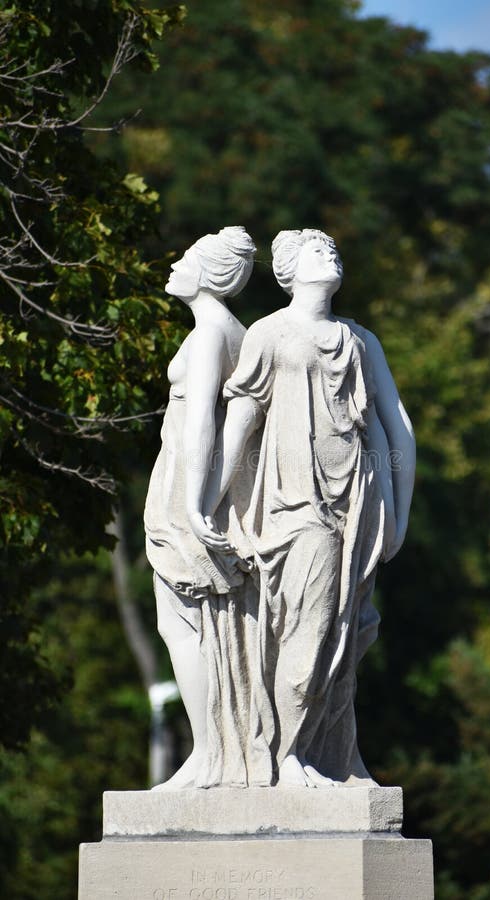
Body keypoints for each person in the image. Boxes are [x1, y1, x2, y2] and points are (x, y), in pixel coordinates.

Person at [205, 229, 416, 787]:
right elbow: (243, 420)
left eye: (336, 250)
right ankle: (285, 755)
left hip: (360, 502)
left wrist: (399, 507)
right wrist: (209, 499)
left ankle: (330, 755)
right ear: (290, 268)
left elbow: (398, 430)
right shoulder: (270, 333)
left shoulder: (361, 340)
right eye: (319, 250)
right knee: (310, 625)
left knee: (347, 635)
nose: (333, 255)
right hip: (297, 503)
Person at [144, 226, 274, 789]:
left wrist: (196, 504)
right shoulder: (234, 329)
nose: (175, 264)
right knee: (210, 627)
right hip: (216, 482)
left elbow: (202, 420)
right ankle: (218, 748)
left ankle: (207, 753)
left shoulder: (209, 332)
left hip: (190, 482)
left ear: (211, 273)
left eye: (188, 258)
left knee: (180, 623)